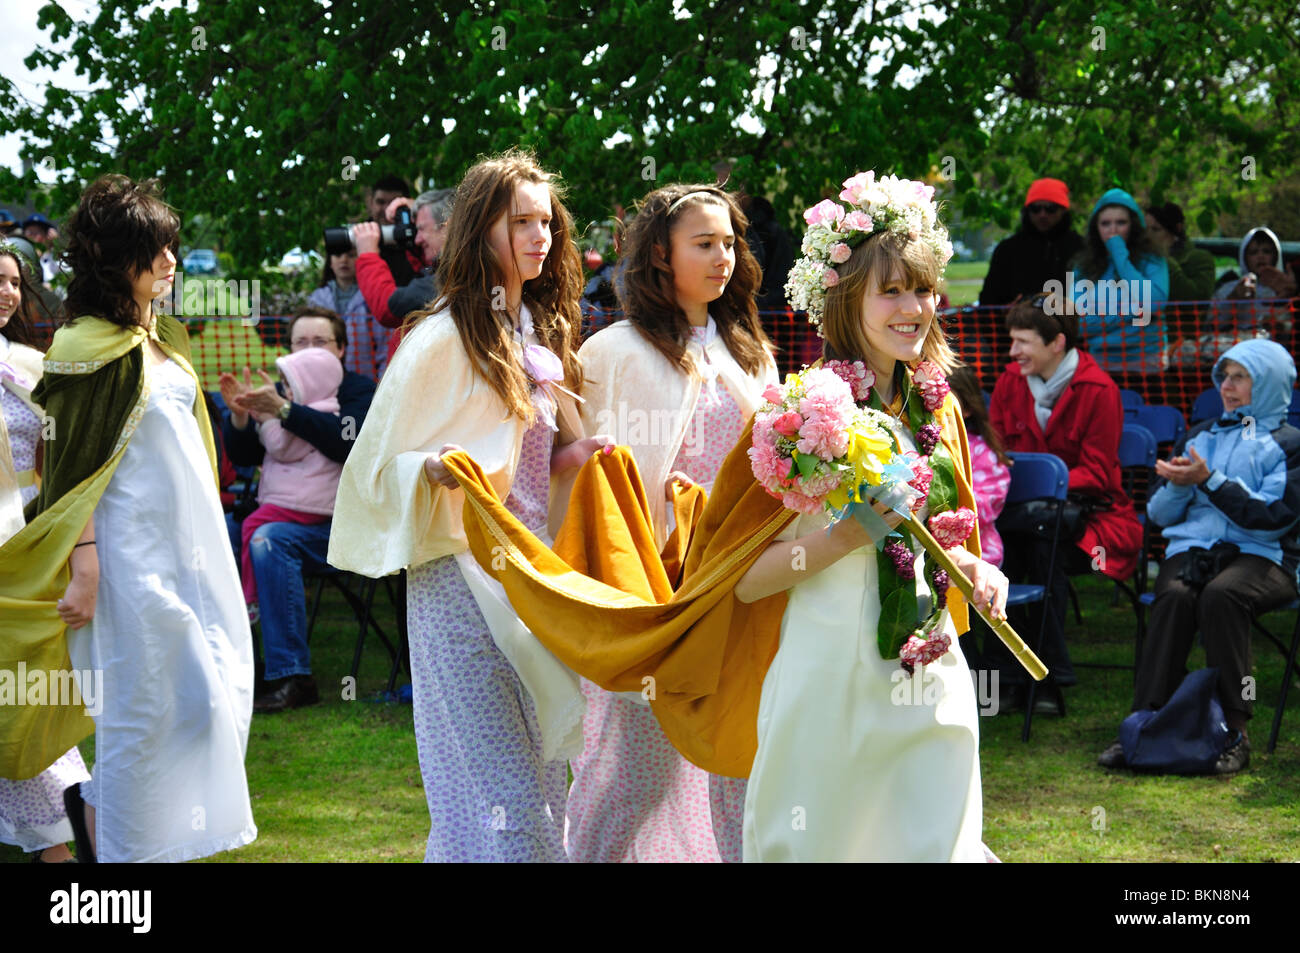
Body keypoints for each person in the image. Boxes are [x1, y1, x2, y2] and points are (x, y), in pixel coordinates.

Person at [329, 149, 610, 863]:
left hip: (533, 580)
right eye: (521, 221)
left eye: (547, 220)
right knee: (499, 798)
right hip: (460, 585)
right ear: (480, 228)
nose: (540, 235)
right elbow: (372, 469)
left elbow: (539, 468)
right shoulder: (440, 337)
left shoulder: (537, 337)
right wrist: (428, 467)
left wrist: (585, 459)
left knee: (547, 781)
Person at [0, 174, 257, 862]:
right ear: (116, 259)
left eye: (171, 246)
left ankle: (98, 814)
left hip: (189, 553)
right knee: (142, 716)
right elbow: (67, 469)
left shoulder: (161, 337)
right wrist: (84, 565)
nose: (170, 261)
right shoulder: (83, 346)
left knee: (213, 701)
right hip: (123, 558)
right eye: (154, 249)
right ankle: (119, 857)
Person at [567, 184, 777, 863]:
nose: (723, 257)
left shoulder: (748, 350)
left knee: (736, 756)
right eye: (703, 243)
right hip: (657, 588)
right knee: (636, 767)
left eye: (729, 243)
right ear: (660, 254)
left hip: (741, 581)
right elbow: (598, 484)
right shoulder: (615, 352)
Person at [1099, 339, 1299, 774]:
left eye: (1240, 377)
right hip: (1194, 549)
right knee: (1174, 596)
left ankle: (1235, 729)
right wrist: (1177, 485)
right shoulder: (1200, 434)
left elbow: (1272, 518)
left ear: (1268, 384)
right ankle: (1143, 726)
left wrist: (1209, 481)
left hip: (1264, 555)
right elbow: (1157, 514)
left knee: (1222, 597)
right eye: (1223, 376)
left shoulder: (1290, 444)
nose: (1226, 387)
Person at [989, 296, 1142, 711]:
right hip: (1024, 517)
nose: (1012, 352)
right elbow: (998, 456)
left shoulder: (1099, 390)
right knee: (1001, 549)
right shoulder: (1009, 383)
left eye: (1023, 342)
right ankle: (1023, 676)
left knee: (1041, 548)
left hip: (1094, 520)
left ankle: (1038, 679)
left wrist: (1043, 480)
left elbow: (1096, 473)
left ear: (1057, 343)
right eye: (1012, 341)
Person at [219, 307, 376, 713]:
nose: (309, 350)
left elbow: (346, 442)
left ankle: (292, 676)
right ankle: (241, 669)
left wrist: (285, 411)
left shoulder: (358, 391)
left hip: (336, 527)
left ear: (341, 349)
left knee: (269, 541)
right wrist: (240, 418)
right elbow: (248, 456)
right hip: (280, 509)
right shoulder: (279, 388)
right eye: (299, 343)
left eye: (320, 342)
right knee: (220, 531)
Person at [0, 242, 91, 864]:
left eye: (12, 281)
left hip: (20, 551)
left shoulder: (33, 366)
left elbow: (57, 463)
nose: (7, 291)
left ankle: (59, 849)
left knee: (23, 697)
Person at [1070, 188, 1170, 386]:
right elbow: (1078, 323)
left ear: (1133, 225)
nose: (1113, 230)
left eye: (1121, 223)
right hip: (1100, 368)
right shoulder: (1083, 267)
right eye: (1105, 224)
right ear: (1095, 228)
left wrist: (1119, 254)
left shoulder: (1153, 260)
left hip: (1147, 368)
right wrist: (1135, 311)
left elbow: (1153, 302)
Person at [355, 188, 455, 366]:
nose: (416, 240)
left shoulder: (452, 277)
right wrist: (415, 210)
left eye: (421, 229)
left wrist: (367, 255)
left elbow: (388, 307)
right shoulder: (455, 270)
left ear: (448, 226)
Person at [979, 178, 1084, 307]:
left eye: (1050, 208)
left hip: (1070, 324)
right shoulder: (1008, 249)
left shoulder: (1081, 247)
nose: (1042, 214)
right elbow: (989, 299)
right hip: (1017, 324)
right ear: (1027, 211)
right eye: (1035, 208)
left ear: (1063, 210)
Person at [948, 366, 1011, 568]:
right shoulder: (918, 443)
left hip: (978, 555)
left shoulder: (983, 453)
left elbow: (983, 509)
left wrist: (942, 504)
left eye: (946, 402)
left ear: (966, 409)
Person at [307, 247, 391, 378]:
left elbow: (384, 347)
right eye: (338, 255)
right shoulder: (316, 300)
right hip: (322, 379)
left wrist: (382, 382)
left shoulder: (372, 297)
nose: (344, 260)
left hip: (365, 382)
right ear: (330, 262)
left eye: (351, 255)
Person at [1211, 227, 1298, 337]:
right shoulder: (1228, 289)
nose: (1260, 256)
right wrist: (1233, 299)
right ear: (1244, 257)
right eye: (1253, 252)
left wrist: (1292, 294)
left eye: (1266, 251)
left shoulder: (1287, 287)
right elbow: (1212, 326)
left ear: (1276, 255)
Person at [1145, 202, 1216, 302]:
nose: (1147, 236)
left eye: (1155, 229)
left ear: (1177, 229)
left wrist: (1165, 260)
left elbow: (1199, 300)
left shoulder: (1199, 258)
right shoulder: (1141, 259)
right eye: (1145, 229)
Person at [367, 172, 420, 287]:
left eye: (393, 203)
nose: (387, 209)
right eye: (380, 202)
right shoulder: (355, 238)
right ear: (371, 203)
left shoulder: (421, 238)